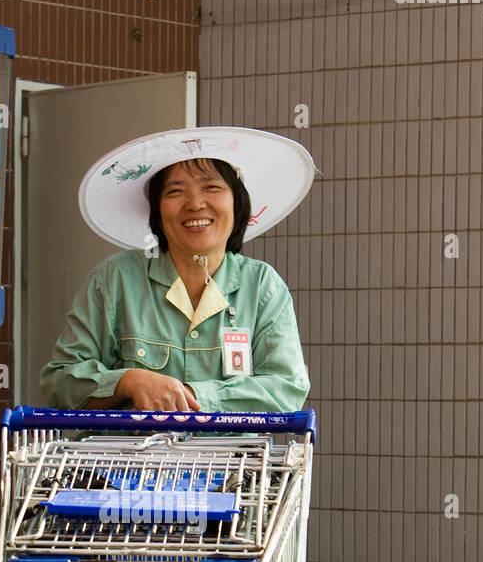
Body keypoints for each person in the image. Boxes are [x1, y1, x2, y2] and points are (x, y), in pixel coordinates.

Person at [40, 126, 315, 413]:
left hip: (233, 459)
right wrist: (130, 381)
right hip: (128, 458)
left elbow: (286, 388)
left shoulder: (262, 285)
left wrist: (188, 395)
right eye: (175, 191)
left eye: (212, 187)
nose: (195, 204)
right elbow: (60, 383)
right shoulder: (114, 279)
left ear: (237, 202)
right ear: (157, 211)